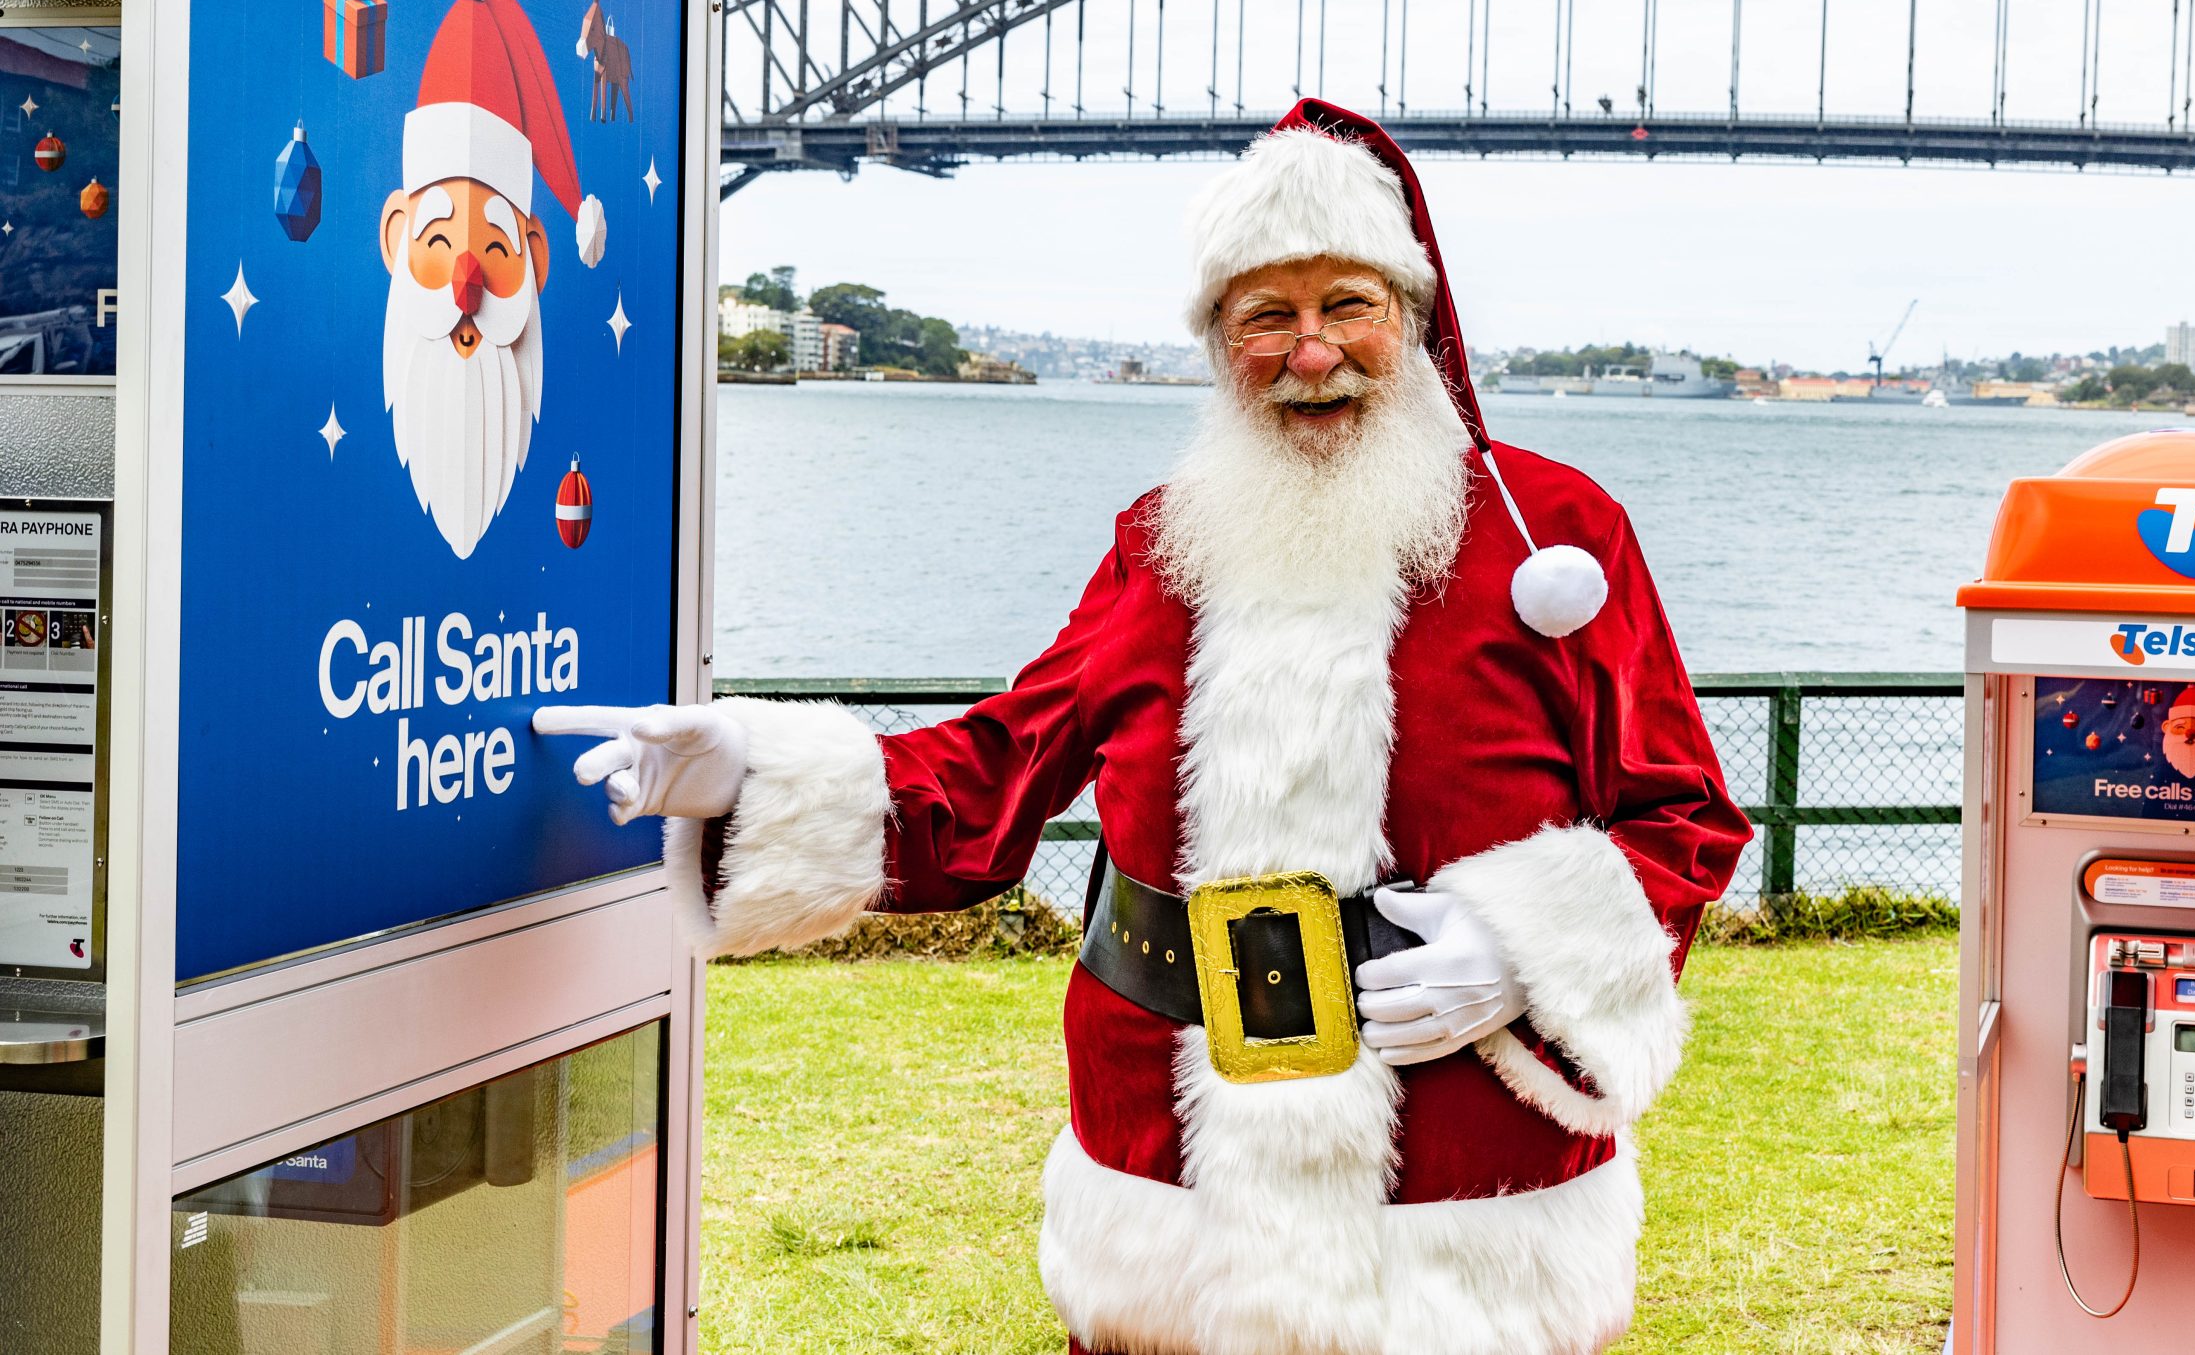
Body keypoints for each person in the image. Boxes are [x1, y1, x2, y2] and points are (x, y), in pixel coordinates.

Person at [537, 99, 1751, 1354]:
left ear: (1415, 320)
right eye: (1265, 316)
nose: (1312, 352)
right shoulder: (1160, 542)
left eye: (1347, 305)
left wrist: (1522, 947)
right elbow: (1001, 766)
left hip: (1461, 1189)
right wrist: (755, 773)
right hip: (1168, 1176)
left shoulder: (1556, 540)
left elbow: (1683, 817)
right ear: (1219, 345)